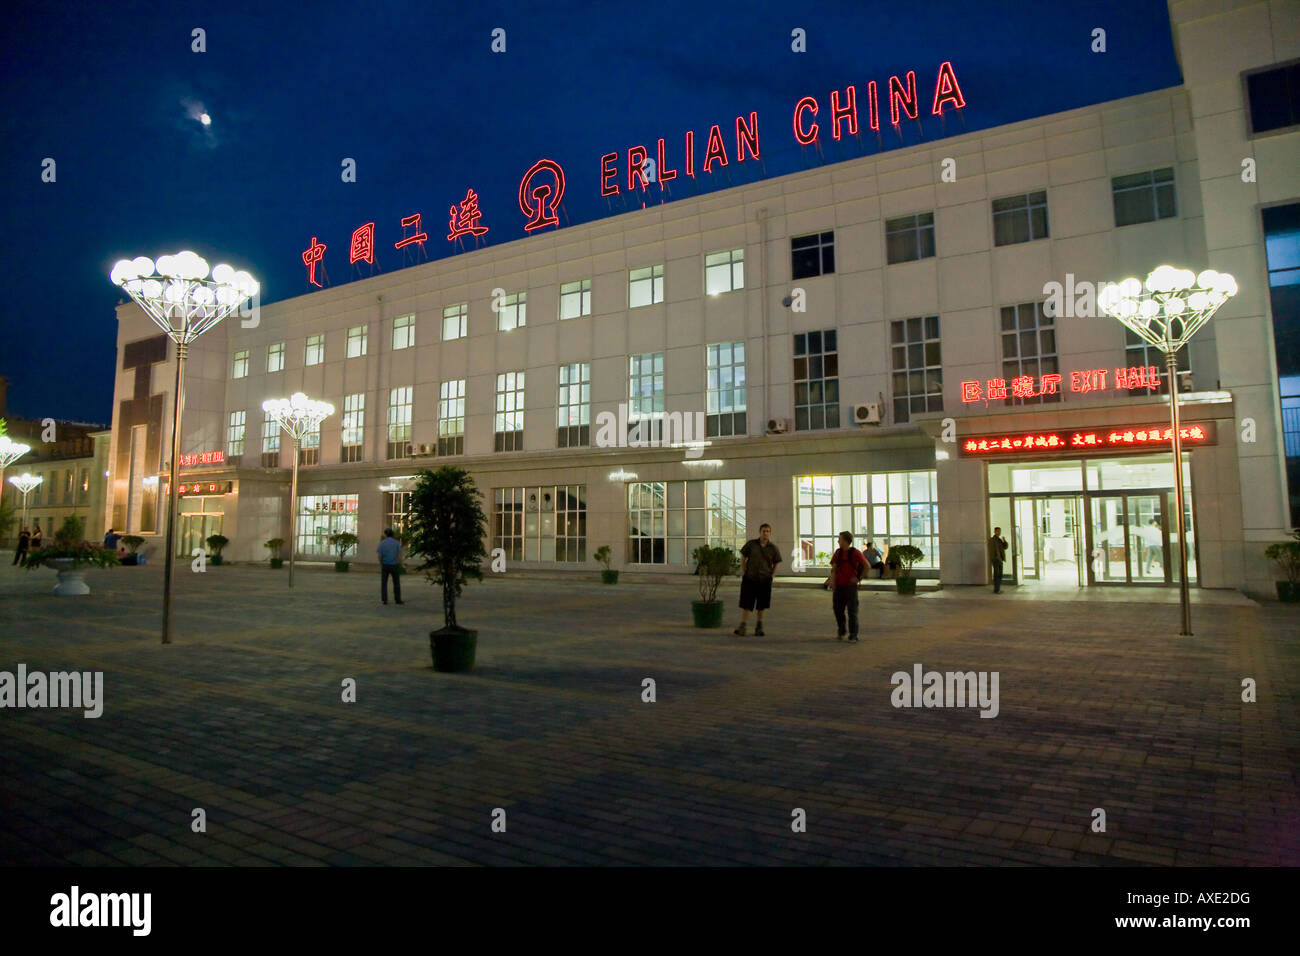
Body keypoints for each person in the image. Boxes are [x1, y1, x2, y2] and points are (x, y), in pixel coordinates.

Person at [734, 523, 781, 636]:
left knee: (762, 604)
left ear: (770, 533)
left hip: (764, 579)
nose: (766, 533)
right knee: (746, 603)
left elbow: (777, 562)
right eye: (764, 531)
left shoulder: (773, 548)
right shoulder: (751, 544)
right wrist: (744, 571)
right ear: (760, 532)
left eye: (768, 531)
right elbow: (743, 557)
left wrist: (772, 575)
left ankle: (759, 626)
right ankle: (743, 626)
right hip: (750, 578)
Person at [829, 531, 868, 642]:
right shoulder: (838, 553)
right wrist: (832, 581)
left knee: (852, 611)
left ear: (845, 541)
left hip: (850, 587)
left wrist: (858, 578)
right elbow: (834, 568)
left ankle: (853, 634)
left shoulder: (855, 553)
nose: (838, 541)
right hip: (839, 586)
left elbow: (867, 566)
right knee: (838, 610)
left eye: (840, 539)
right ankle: (841, 630)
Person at [377, 528, 404, 605]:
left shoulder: (382, 543)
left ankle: (384, 600)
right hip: (394, 565)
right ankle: (398, 599)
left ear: (386, 534)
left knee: (384, 583)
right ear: (393, 534)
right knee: (396, 583)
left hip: (385, 565)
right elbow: (399, 555)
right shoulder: (396, 543)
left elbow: (379, 556)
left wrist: (381, 564)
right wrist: (401, 564)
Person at [988, 526, 1008, 593]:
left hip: (1000, 559)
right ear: (995, 531)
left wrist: (1004, 541)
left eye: (1000, 531)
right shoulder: (992, 540)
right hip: (996, 560)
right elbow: (991, 550)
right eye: (997, 531)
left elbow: (1005, 547)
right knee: (997, 574)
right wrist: (995, 558)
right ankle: (996, 589)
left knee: (1000, 575)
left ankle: (998, 588)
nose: (999, 532)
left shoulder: (999, 540)